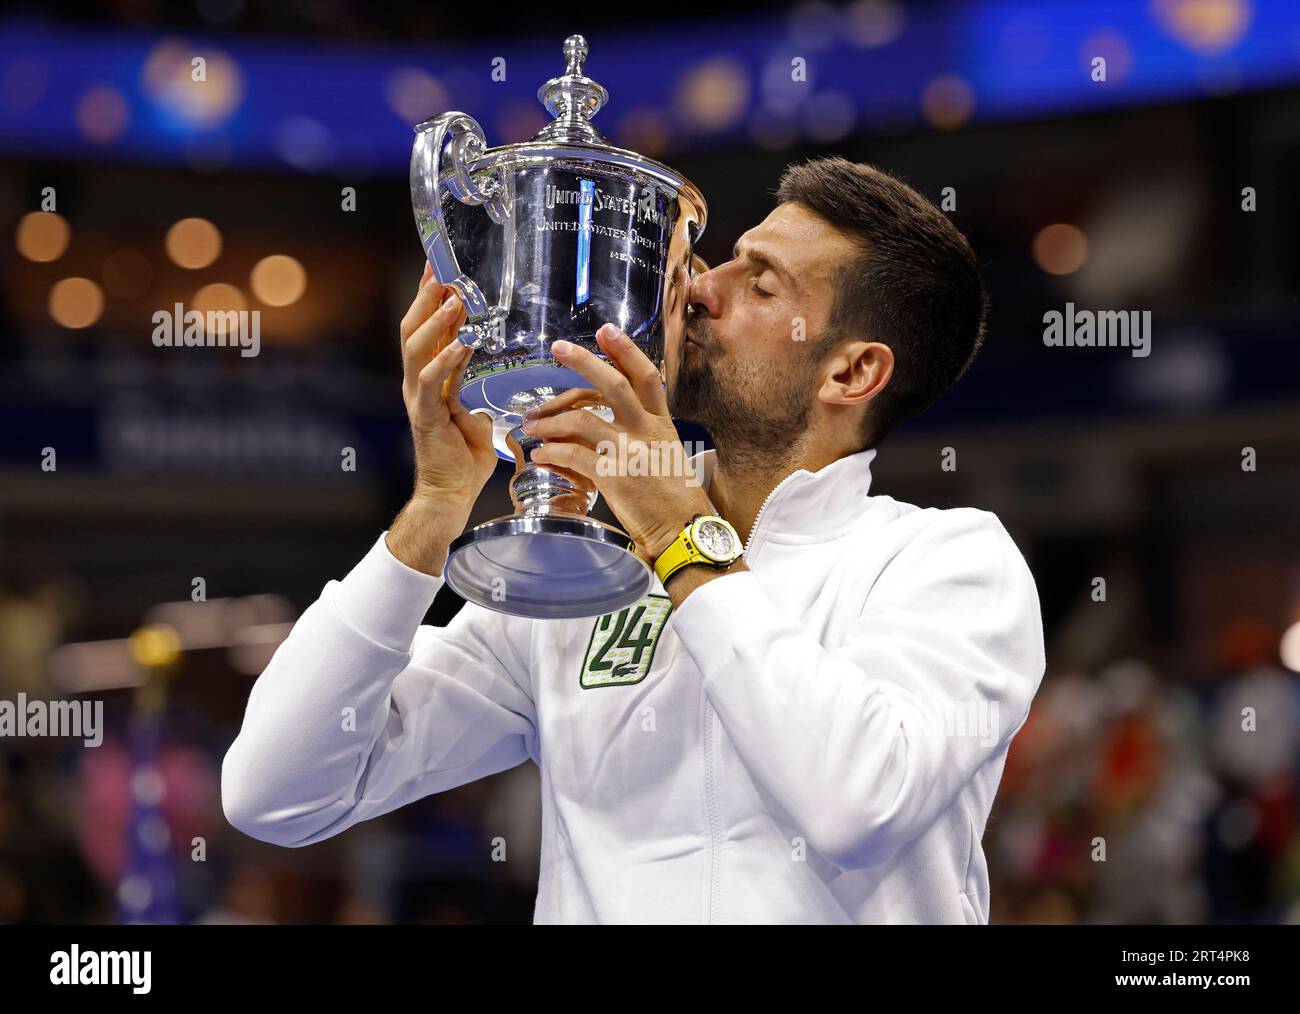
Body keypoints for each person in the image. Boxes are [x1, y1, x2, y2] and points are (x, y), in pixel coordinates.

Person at [222, 156, 1046, 924]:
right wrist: (434, 509)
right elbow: (276, 792)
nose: (695, 289)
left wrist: (678, 533)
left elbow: (857, 804)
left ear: (851, 373)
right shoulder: (583, 572)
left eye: (759, 286)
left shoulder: (951, 563)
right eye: (722, 259)